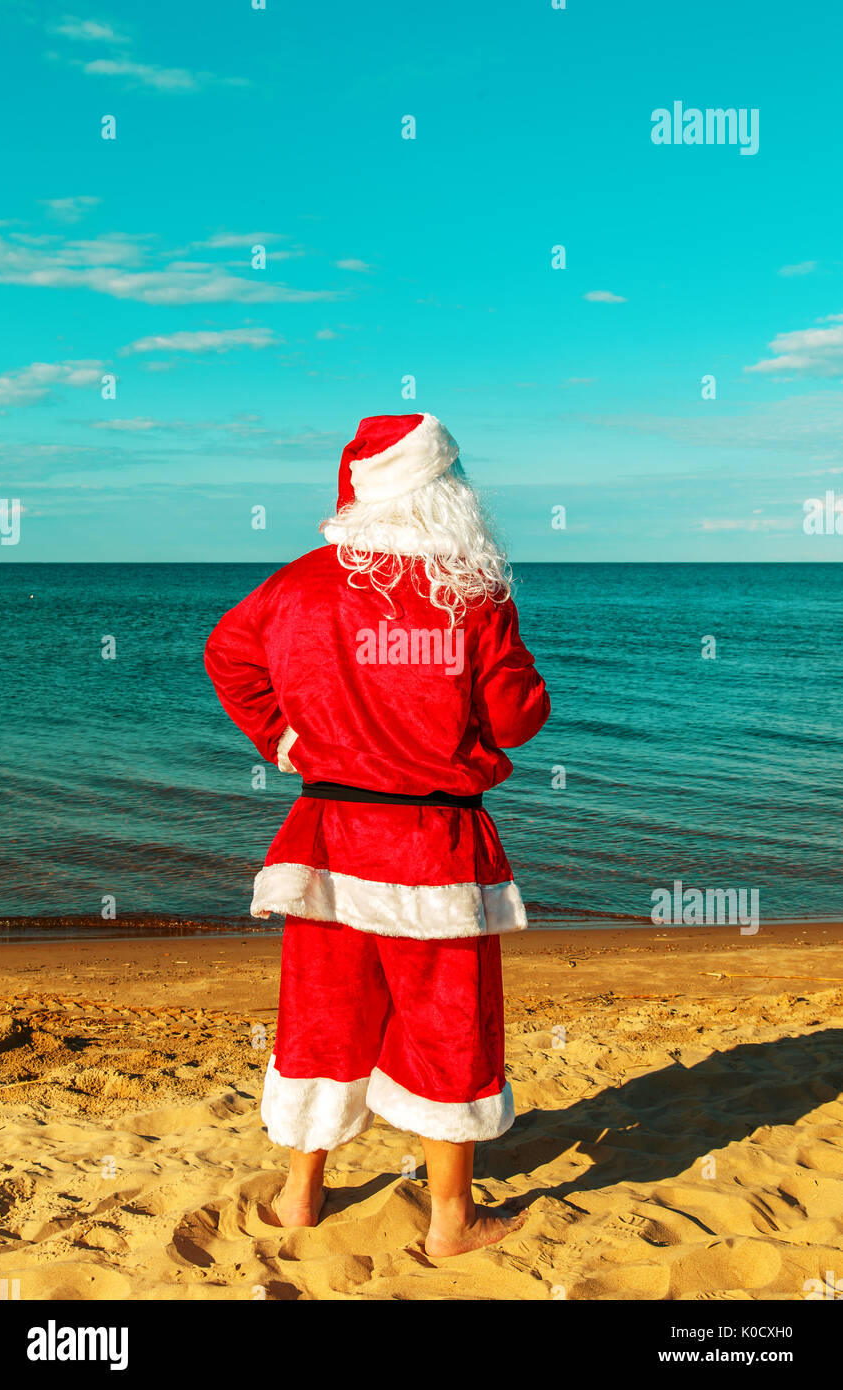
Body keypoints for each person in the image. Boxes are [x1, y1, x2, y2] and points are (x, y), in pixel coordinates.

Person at [204, 412, 550, 1256]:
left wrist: (283, 737)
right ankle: (452, 1220)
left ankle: (298, 1197)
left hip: (326, 834)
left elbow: (227, 653)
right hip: (432, 842)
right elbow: (516, 718)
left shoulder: (299, 583)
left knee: (323, 1016)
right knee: (449, 1021)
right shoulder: (473, 589)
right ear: (445, 494)